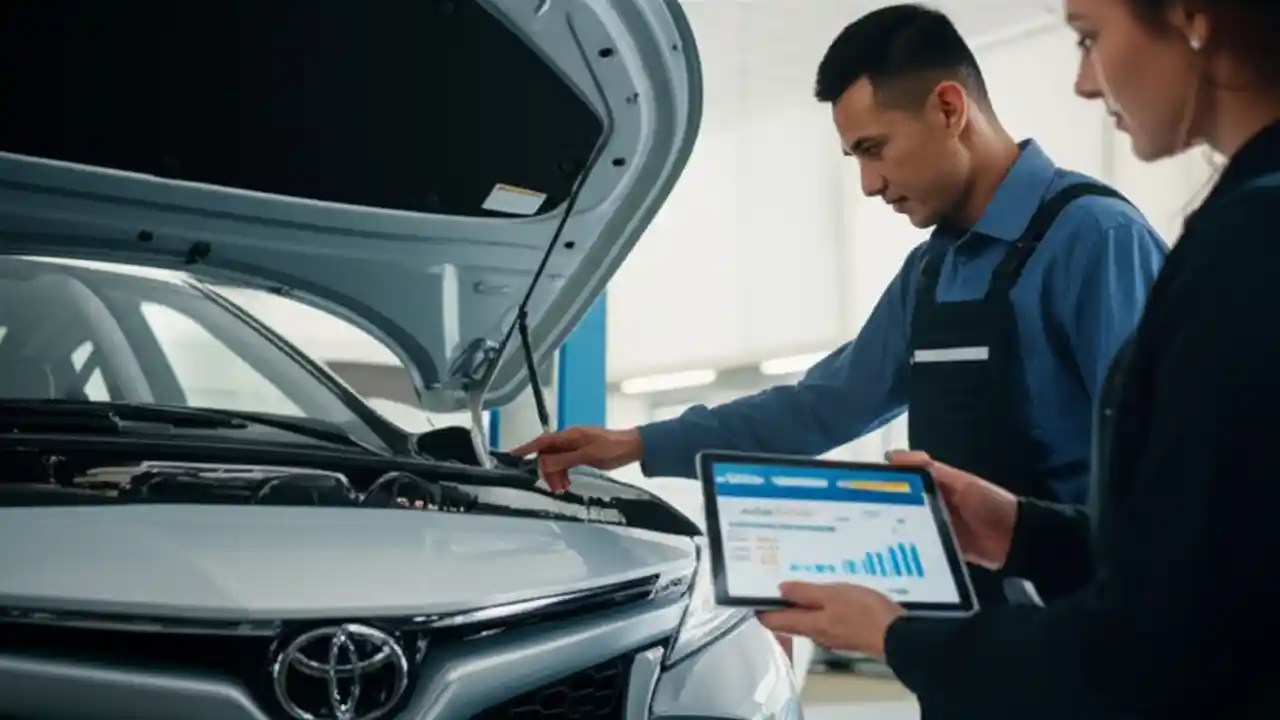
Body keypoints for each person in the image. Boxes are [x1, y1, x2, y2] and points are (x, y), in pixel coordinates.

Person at [515, 3, 1167, 607]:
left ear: (948, 108)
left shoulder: (1096, 241)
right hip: (967, 641)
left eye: (874, 149)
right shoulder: (931, 271)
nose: (869, 184)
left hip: (1087, 641)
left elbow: (1167, 480)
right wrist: (636, 441)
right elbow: (820, 408)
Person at [755, 0, 1280, 717]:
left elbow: (1167, 631)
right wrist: (1020, 529)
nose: (1085, 85)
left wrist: (898, 637)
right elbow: (1193, 553)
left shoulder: (1230, 246)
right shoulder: (1231, 230)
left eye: (1090, 37)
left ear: (1193, 17)